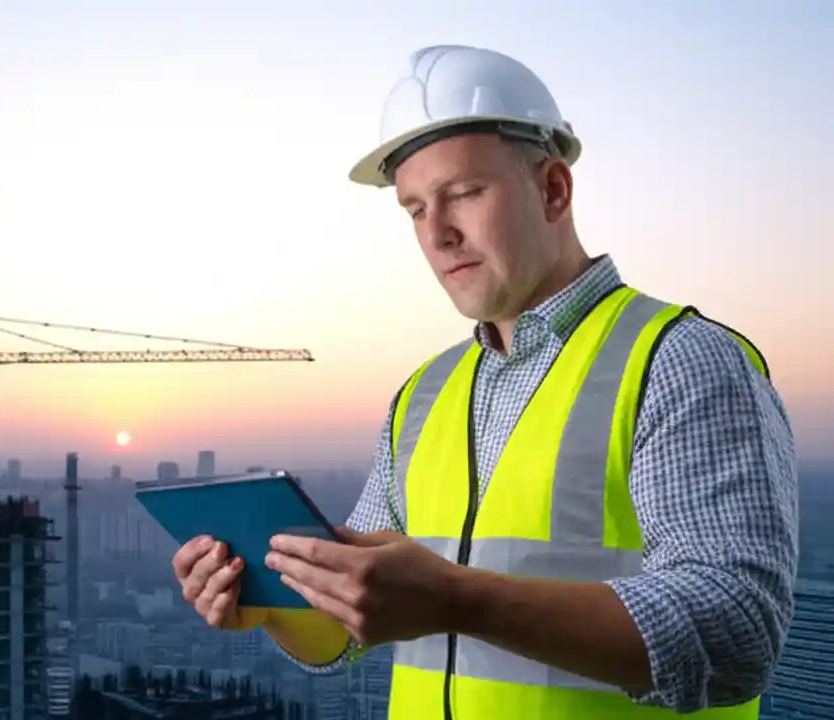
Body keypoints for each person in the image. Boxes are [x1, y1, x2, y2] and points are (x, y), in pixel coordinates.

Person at [170, 45, 798, 719]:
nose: (437, 234)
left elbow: (736, 634)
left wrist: (455, 597)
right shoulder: (423, 396)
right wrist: (269, 602)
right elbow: (347, 629)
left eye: (464, 194)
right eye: (414, 209)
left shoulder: (679, 361)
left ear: (553, 188)